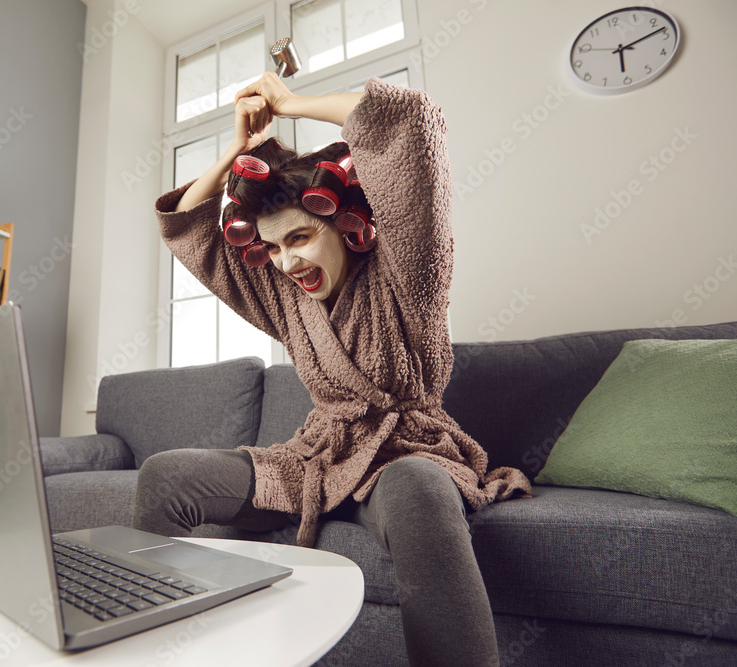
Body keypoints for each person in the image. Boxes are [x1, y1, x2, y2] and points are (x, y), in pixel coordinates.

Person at [133, 71, 532, 666]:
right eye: (271, 247)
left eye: (299, 237)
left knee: (421, 487)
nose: (287, 261)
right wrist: (237, 149)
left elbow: (410, 125)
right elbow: (191, 230)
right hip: (316, 458)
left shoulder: (410, 272)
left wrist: (291, 105)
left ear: (344, 224)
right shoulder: (283, 296)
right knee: (166, 476)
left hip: (403, 456)